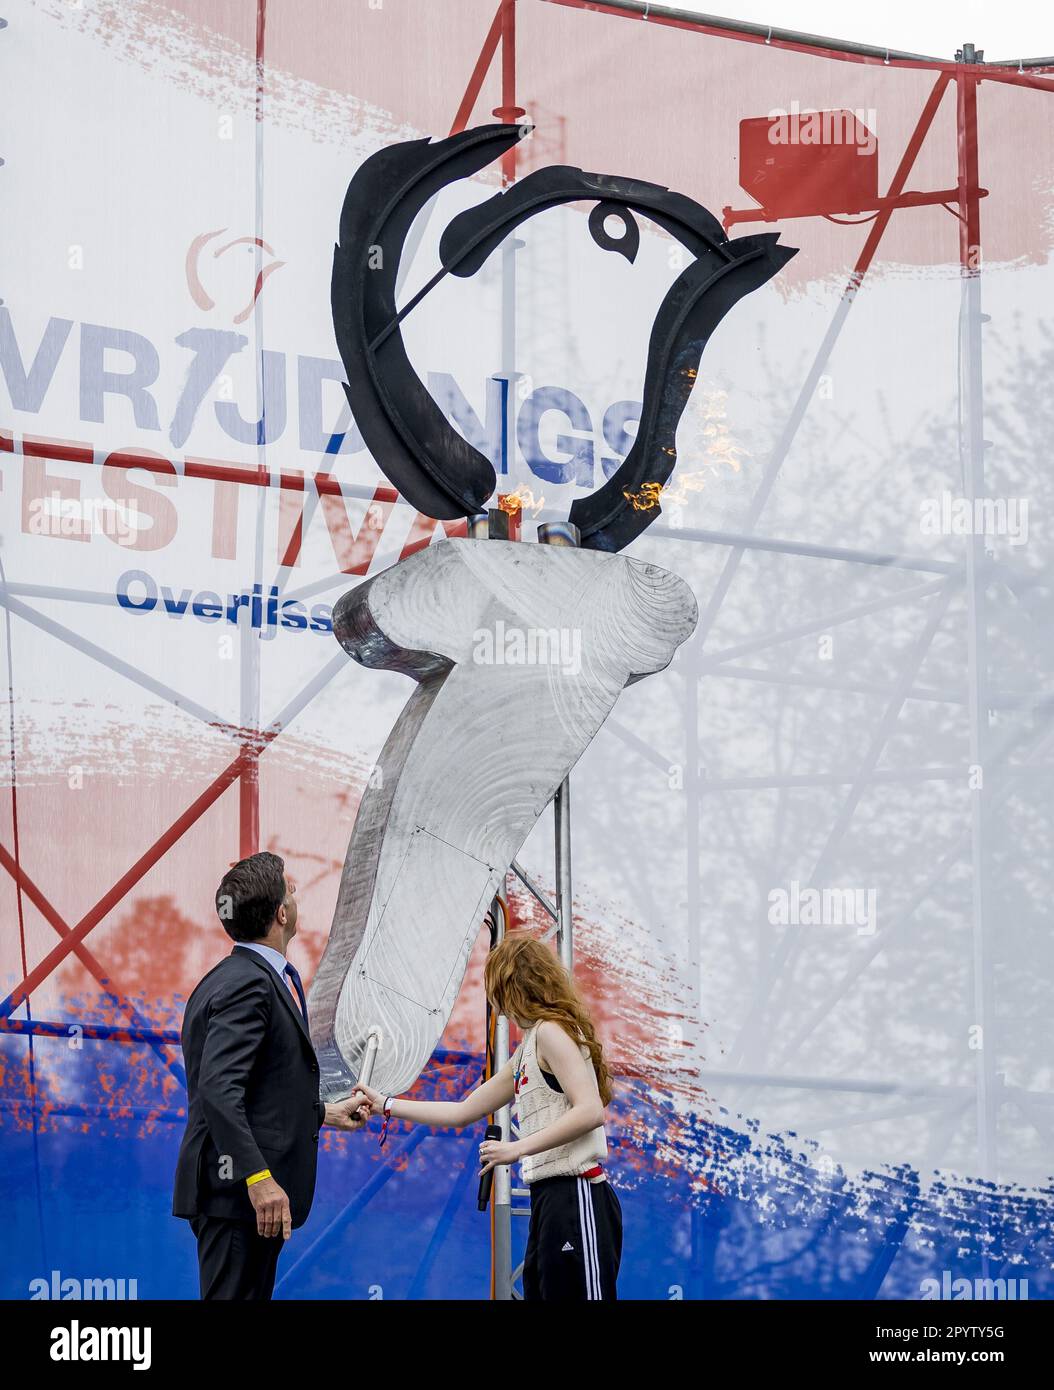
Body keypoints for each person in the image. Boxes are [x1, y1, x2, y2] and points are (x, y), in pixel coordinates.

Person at [353, 932, 622, 1300]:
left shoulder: (551, 1033)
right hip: (549, 1199)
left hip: (577, 1194)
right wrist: (386, 1103)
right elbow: (464, 1111)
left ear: (513, 985)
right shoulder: (529, 1047)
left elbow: (590, 1110)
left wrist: (515, 1149)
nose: (495, 1003)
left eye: (496, 989)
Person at [172, 851, 366, 1300]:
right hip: (238, 1197)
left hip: (243, 1200)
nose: (296, 895)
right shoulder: (249, 983)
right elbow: (220, 1089)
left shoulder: (240, 976)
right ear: (281, 914)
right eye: (291, 891)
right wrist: (259, 1180)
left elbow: (260, 1094)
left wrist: (326, 1114)